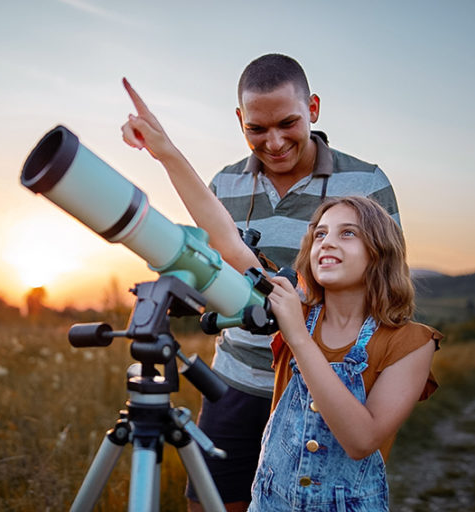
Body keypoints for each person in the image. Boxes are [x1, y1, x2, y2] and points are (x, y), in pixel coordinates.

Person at [121, 52, 402, 511]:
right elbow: (221, 261)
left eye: (288, 123)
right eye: (257, 129)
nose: (274, 142)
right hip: (234, 382)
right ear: (240, 120)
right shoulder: (224, 185)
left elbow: (388, 289)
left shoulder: (366, 182)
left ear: (313, 108)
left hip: (320, 387)